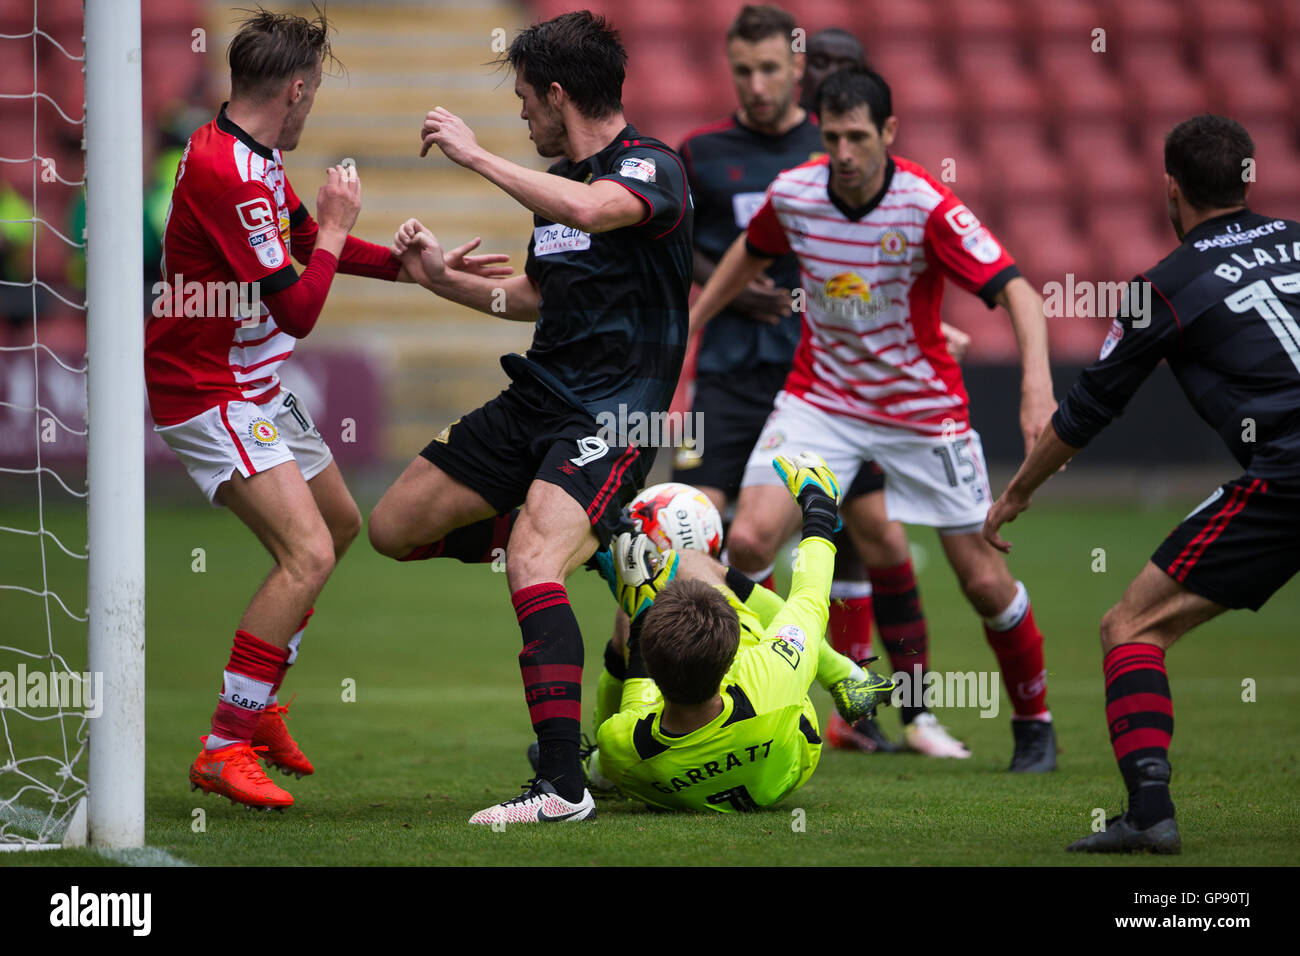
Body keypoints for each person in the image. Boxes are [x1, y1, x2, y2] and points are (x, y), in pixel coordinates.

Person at [368, 11, 694, 825]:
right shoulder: (558, 193)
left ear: (557, 95)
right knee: (392, 527)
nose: (520, 116)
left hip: (615, 412)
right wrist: (437, 279)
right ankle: (602, 533)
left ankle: (562, 785)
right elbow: (537, 298)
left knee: (529, 559)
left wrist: (474, 153)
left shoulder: (655, 169)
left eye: (524, 101)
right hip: (538, 398)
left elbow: (595, 212)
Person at [691, 67, 1060, 772]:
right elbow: (750, 251)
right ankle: (774, 699)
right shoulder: (797, 192)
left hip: (923, 413)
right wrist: (696, 324)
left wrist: (1034, 391)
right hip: (820, 403)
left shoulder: (925, 205)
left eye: (859, 137)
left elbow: (1020, 293)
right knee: (746, 541)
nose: (846, 152)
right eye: (833, 138)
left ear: (889, 133)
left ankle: (1033, 720)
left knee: (982, 581)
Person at [984, 114, 1300, 852]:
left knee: (1130, 627)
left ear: (1169, 188)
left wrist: (1020, 489)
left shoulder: (1160, 287)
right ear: (1248, 179)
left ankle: (1149, 813)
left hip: (1288, 472)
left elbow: (1091, 404)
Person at [672, 5, 961, 757]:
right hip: (733, 380)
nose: (759, 84)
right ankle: (712, 703)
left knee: (880, 538)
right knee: (695, 534)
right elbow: (681, 255)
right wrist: (732, 286)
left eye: (772, 68)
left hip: (828, 386)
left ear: (798, 67)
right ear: (729, 68)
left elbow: (886, 247)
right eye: (744, 71)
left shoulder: (834, 143)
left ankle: (911, 713)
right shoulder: (701, 153)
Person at [148, 7, 416, 809]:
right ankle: (224, 742)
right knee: (308, 555)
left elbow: (300, 237)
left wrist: (411, 267)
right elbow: (299, 305)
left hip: (254, 388)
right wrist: (337, 231)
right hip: (206, 390)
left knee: (338, 525)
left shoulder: (248, 152)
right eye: (314, 94)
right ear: (297, 89)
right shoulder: (224, 173)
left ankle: (256, 705)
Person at [596, 453, 894, 812]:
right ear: (732, 660)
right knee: (685, 562)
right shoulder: (769, 675)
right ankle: (846, 676)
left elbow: (634, 694)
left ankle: (594, 771)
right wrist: (818, 508)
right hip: (789, 765)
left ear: (654, 674)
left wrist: (639, 611)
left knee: (627, 616)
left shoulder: (621, 743)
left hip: (661, 780)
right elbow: (810, 594)